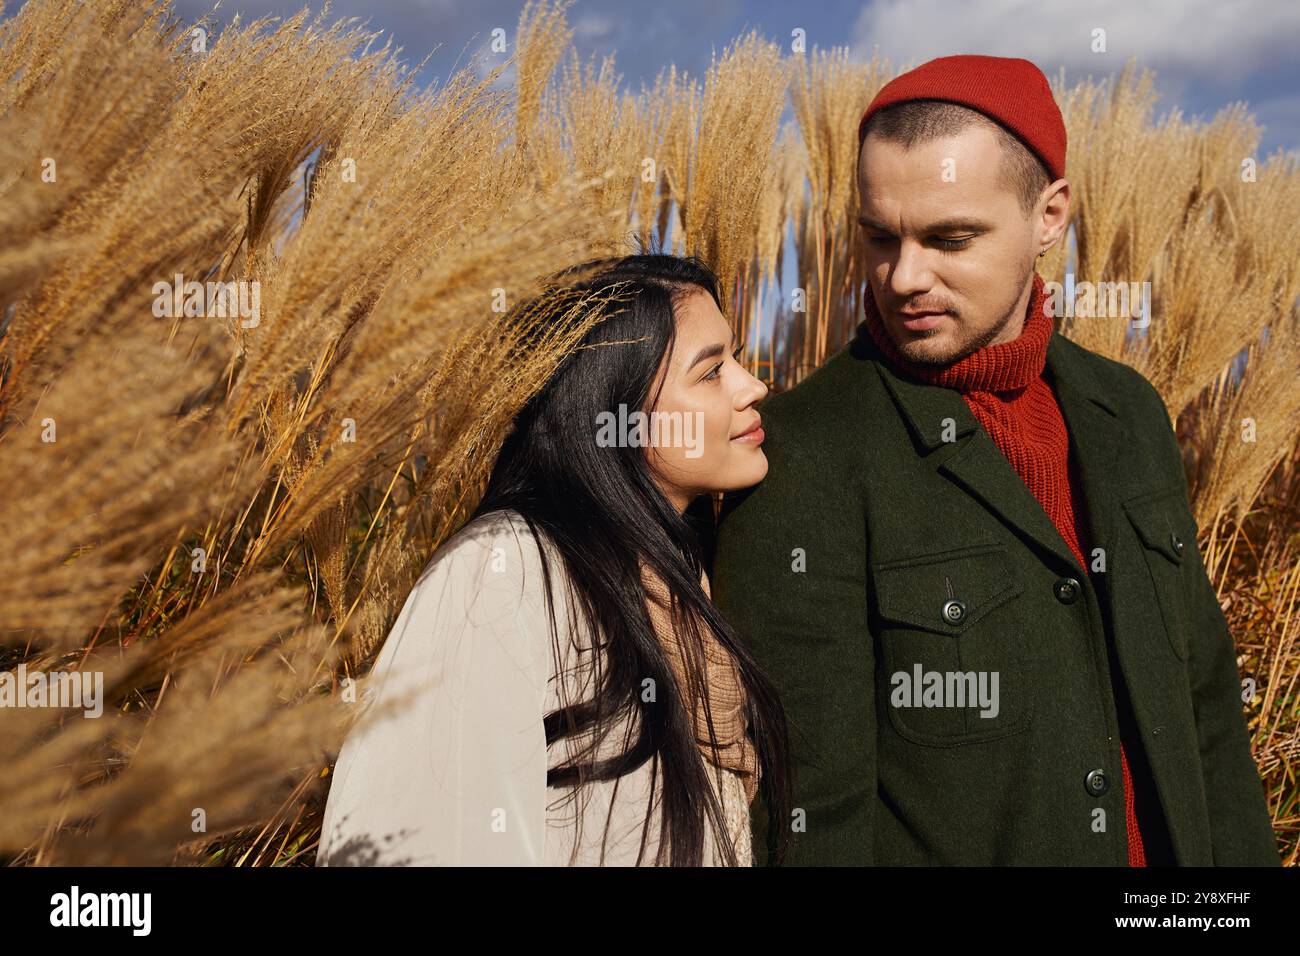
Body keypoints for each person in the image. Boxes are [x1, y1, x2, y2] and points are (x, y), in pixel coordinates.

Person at [711, 54, 1280, 866]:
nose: (904, 278)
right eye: (880, 237)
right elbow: (815, 818)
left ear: (1049, 215)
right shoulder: (804, 454)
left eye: (950, 238)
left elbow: (1207, 712)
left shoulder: (1130, 415)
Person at [317, 254, 791, 866]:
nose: (753, 386)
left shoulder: (683, 580)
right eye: (710, 373)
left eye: (737, 359)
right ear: (614, 412)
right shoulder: (501, 572)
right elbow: (406, 840)